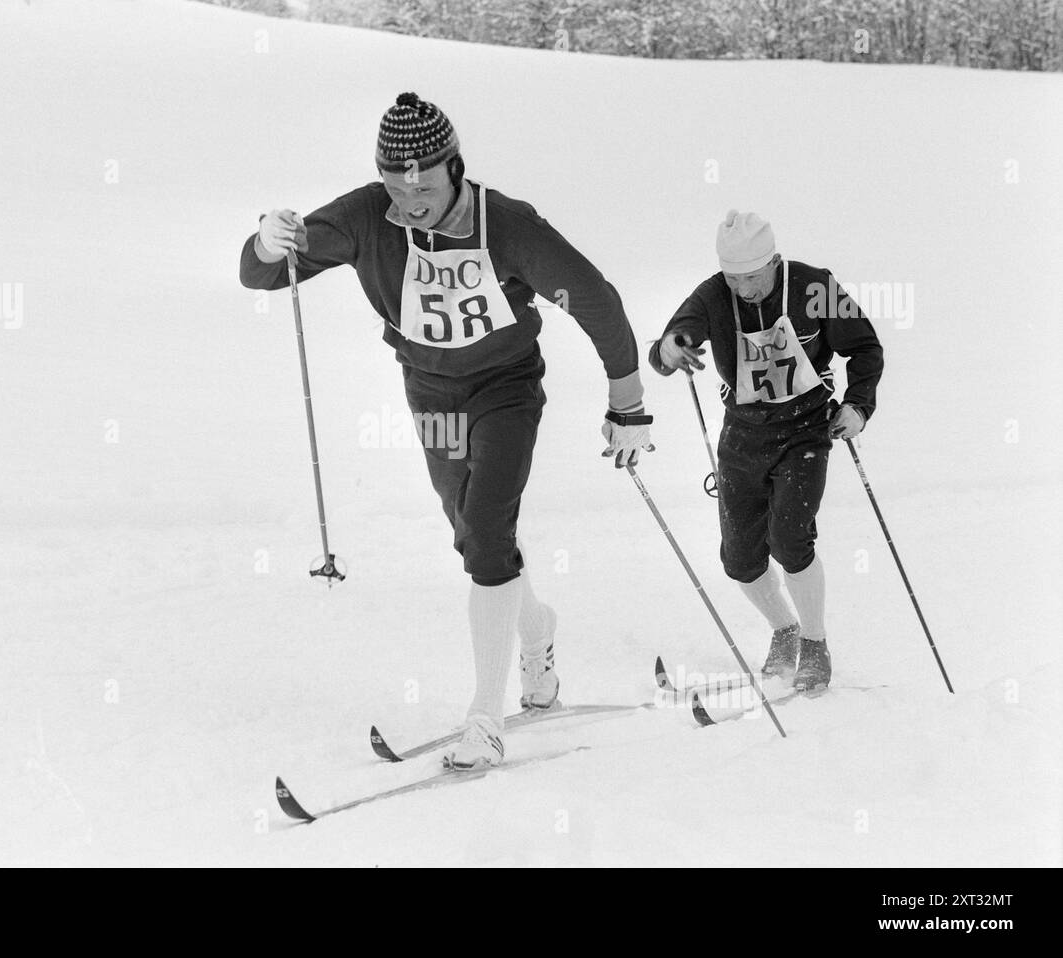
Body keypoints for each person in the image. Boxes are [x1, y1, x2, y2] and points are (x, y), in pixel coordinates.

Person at [240, 92, 652, 768]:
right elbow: (265, 274)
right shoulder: (367, 215)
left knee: (489, 529)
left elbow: (596, 299)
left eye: (424, 182)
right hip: (430, 393)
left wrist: (627, 402)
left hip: (504, 388)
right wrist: (266, 241)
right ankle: (537, 629)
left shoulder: (506, 225)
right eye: (394, 183)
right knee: (475, 537)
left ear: (454, 166)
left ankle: (485, 718)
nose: (409, 197)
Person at [648, 211, 883, 690]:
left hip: (806, 432)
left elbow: (865, 349)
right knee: (739, 559)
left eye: (753, 278)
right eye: (735, 279)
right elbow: (672, 340)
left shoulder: (814, 287)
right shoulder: (715, 294)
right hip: (744, 434)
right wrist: (670, 349)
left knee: (791, 538)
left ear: (774, 261)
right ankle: (784, 630)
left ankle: (814, 643)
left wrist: (858, 406)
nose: (744, 289)